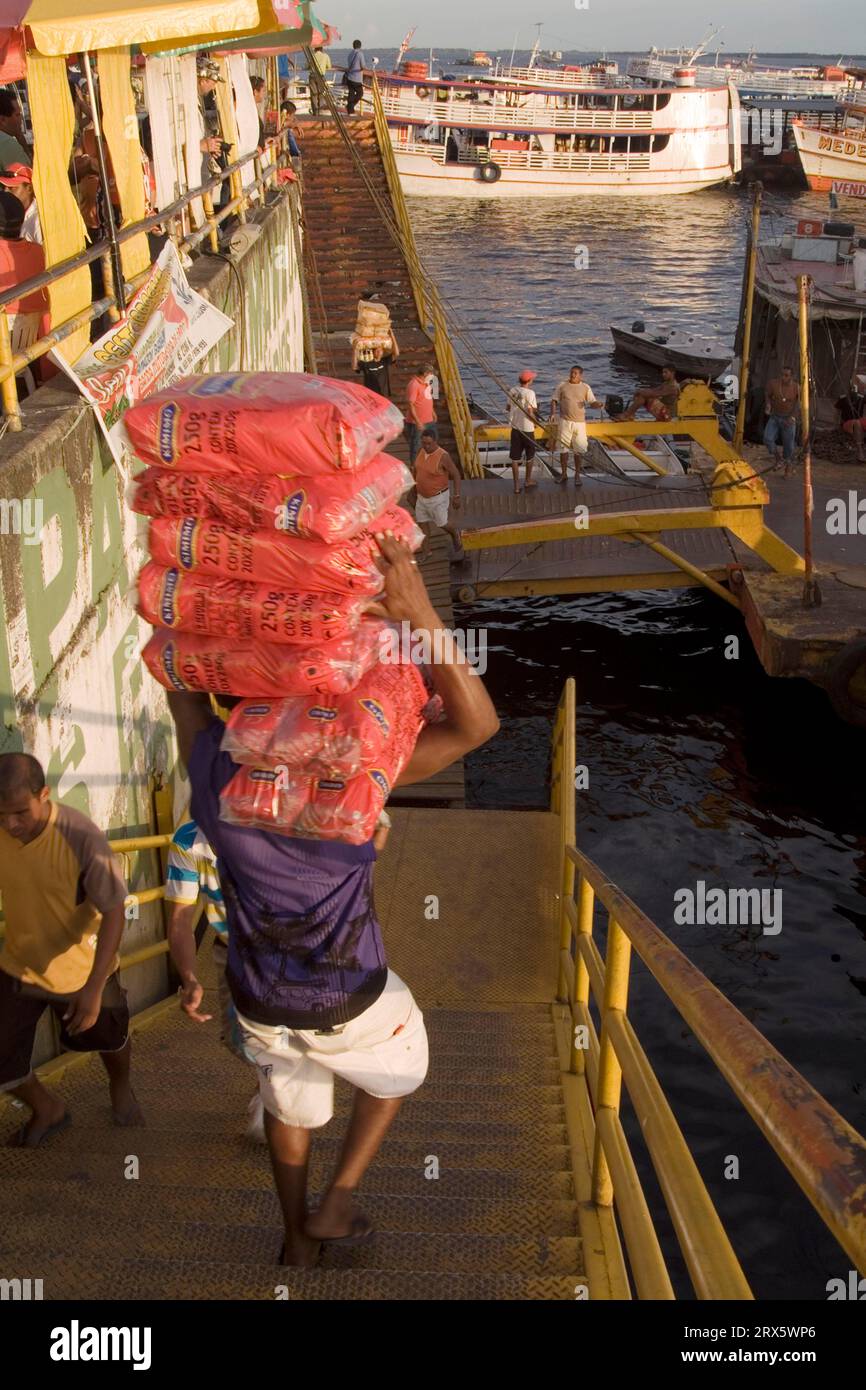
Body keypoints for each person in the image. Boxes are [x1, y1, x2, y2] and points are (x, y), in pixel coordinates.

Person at [165, 535, 499, 1266]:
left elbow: (182, 684)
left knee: (292, 1107)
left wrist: (203, 600)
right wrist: (415, 612)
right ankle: (337, 1202)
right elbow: (478, 726)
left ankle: (292, 1238)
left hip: (254, 995)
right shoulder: (360, 774)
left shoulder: (215, 781)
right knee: (401, 1068)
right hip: (347, 994)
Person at [0, 753, 143, 1146]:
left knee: (108, 1037)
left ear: (44, 794)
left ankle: (121, 1087)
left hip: (82, 971)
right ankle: (48, 1108)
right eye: (1, 814)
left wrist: (95, 988)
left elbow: (114, 910)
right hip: (18, 966)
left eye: (19, 813)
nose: (10, 824)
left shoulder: (81, 837)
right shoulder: (3, 827)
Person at [164, 816, 265, 1142]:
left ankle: (274, 1094)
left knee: (278, 1035)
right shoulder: (188, 840)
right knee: (238, 1040)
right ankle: (269, 1080)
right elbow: (180, 918)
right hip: (230, 951)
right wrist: (190, 978)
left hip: (282, 949)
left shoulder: (281, 827)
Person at [413, 429, 464, 560]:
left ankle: (455, 533)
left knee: (442, 523)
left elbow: (456, 474)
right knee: (422, 523)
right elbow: (416, 470)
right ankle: (426, 551)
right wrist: (413, 488)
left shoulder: (443, 456)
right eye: (424, 443)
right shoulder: (421, 451)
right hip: (421, 497)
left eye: (429, 443)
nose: (426, 446)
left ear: (435, 442)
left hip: (437, 497)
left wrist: (457, 496)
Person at [550, 364, 600, 485]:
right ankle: (564, 474)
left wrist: (598, 405)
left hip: (580, 423)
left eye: (575, 373)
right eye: (571, 372)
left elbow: (592, 402)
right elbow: (554, 400)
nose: (572, 375)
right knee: (563, 449)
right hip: (564, 421)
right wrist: (552, 413)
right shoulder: (562, 385)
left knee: (579, 450)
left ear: (580, 375)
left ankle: (577, 475)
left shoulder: (585, 387)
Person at [507, 369, 540, 493]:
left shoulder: (512, 390)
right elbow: (531, 412)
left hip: (515, 428)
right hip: (528, 429)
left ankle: (516, 486)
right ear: (529, 381)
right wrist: (536, 423)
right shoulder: (530, 393)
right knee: (530, 455)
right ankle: (527, 480)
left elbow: (508, 407)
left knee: (515, 458)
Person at [764, 366, 799, 472]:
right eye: (782, 375)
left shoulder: (797, 388)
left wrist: (793, 417)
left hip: (788, 419)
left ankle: (788, 469)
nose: (783, 377)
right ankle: (778, 459)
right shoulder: (773, 384)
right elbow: (767, 394)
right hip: (775, 417)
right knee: (767, 438)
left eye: (786, 375)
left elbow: (799, 404)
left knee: (788, 445)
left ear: (791, 376)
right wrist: (768, 404)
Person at [0, 164, 41, 243]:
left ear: (29, 188)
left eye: (12, 188)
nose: (5, 191)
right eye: (3, 187)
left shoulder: (38, 221)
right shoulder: (8, 219)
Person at [405, 364, 437, 462]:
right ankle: (414, 466)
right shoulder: (414, 384)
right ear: (425, 373)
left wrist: (433, 412)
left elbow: (428, 398)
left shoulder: (427, 383)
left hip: (429, 420)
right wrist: (418, 421)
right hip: (418, 422)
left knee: (433, 443)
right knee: (416, 446)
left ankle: (428, 464)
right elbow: (411, 404)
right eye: (431, 374)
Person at [835, 377, 866, 463]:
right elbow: (837, 413)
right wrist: (837, 425)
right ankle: (860, 452)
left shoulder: (862, 398)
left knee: (859, 422)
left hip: (859, 420)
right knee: (857, 423)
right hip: (848, 423)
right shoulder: (843, 398)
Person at [0, 91, 30, 169]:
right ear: (3, 120)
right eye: (17, 115)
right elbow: (29, 176)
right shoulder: (7, 143)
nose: (21, 119)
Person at [343, 40, 367, 116]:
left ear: (353, 46)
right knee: (360, 93)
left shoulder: (350, 54)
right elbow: (363, 66)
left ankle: (350, 111)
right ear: (360, 46)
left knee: (351, 94)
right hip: (357, 78)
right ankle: (351, 106)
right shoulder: (360, 54)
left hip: (349, 77)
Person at [309, 41, 333, 115]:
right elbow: (329, 66)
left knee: (314, 95)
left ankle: (315, 111)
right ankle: (320, 110)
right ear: (322, 49)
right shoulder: (325, 56)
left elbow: (307, 65)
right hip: (321, 76)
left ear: (315, 49)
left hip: (313, 76)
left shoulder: (312, 55)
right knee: (321, 94)